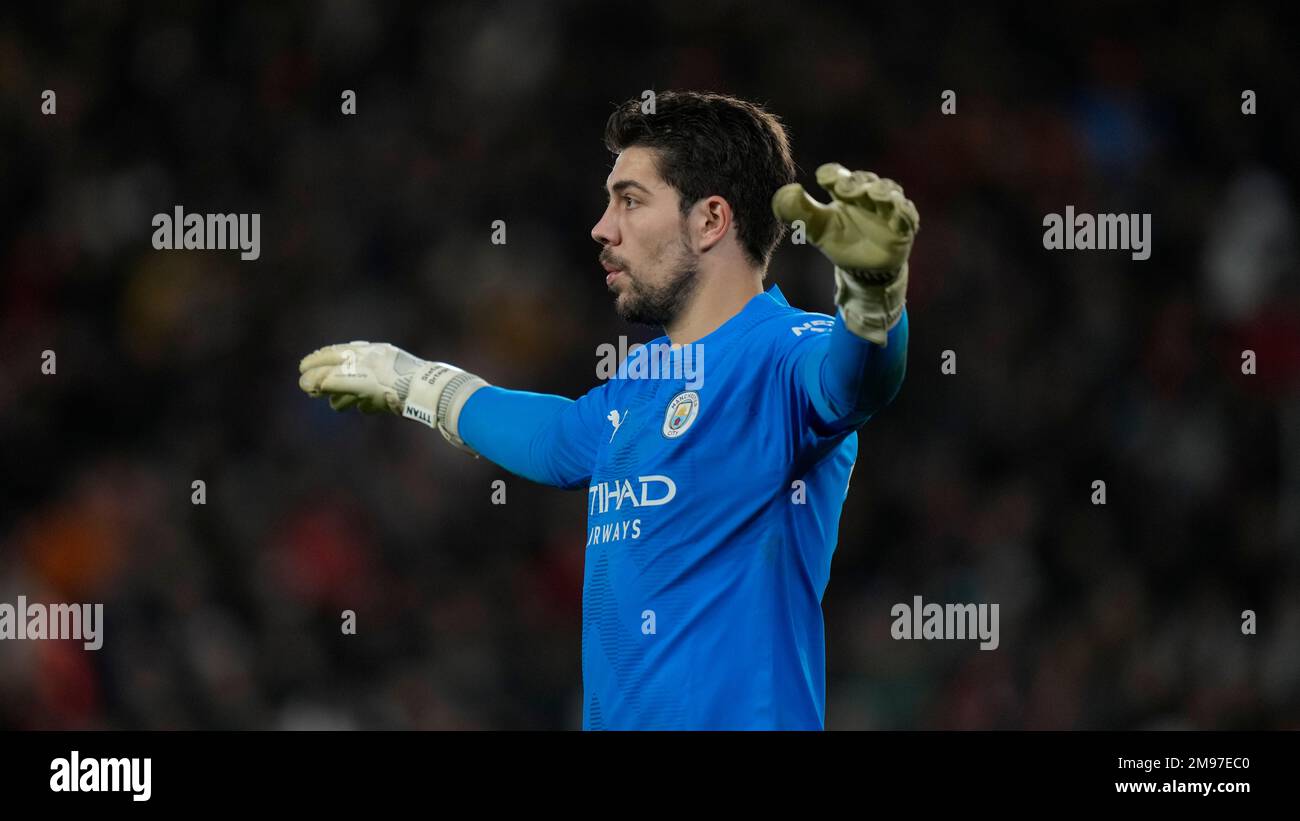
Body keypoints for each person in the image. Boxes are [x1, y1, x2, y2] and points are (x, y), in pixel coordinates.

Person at [298, 90, 919, 729]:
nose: (602, 227)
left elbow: (858, 380)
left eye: (629, 199)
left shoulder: (784, 354)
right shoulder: (643, 380)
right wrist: (417, 384)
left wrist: (874, 298)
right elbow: (554, 440)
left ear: (710, 221)